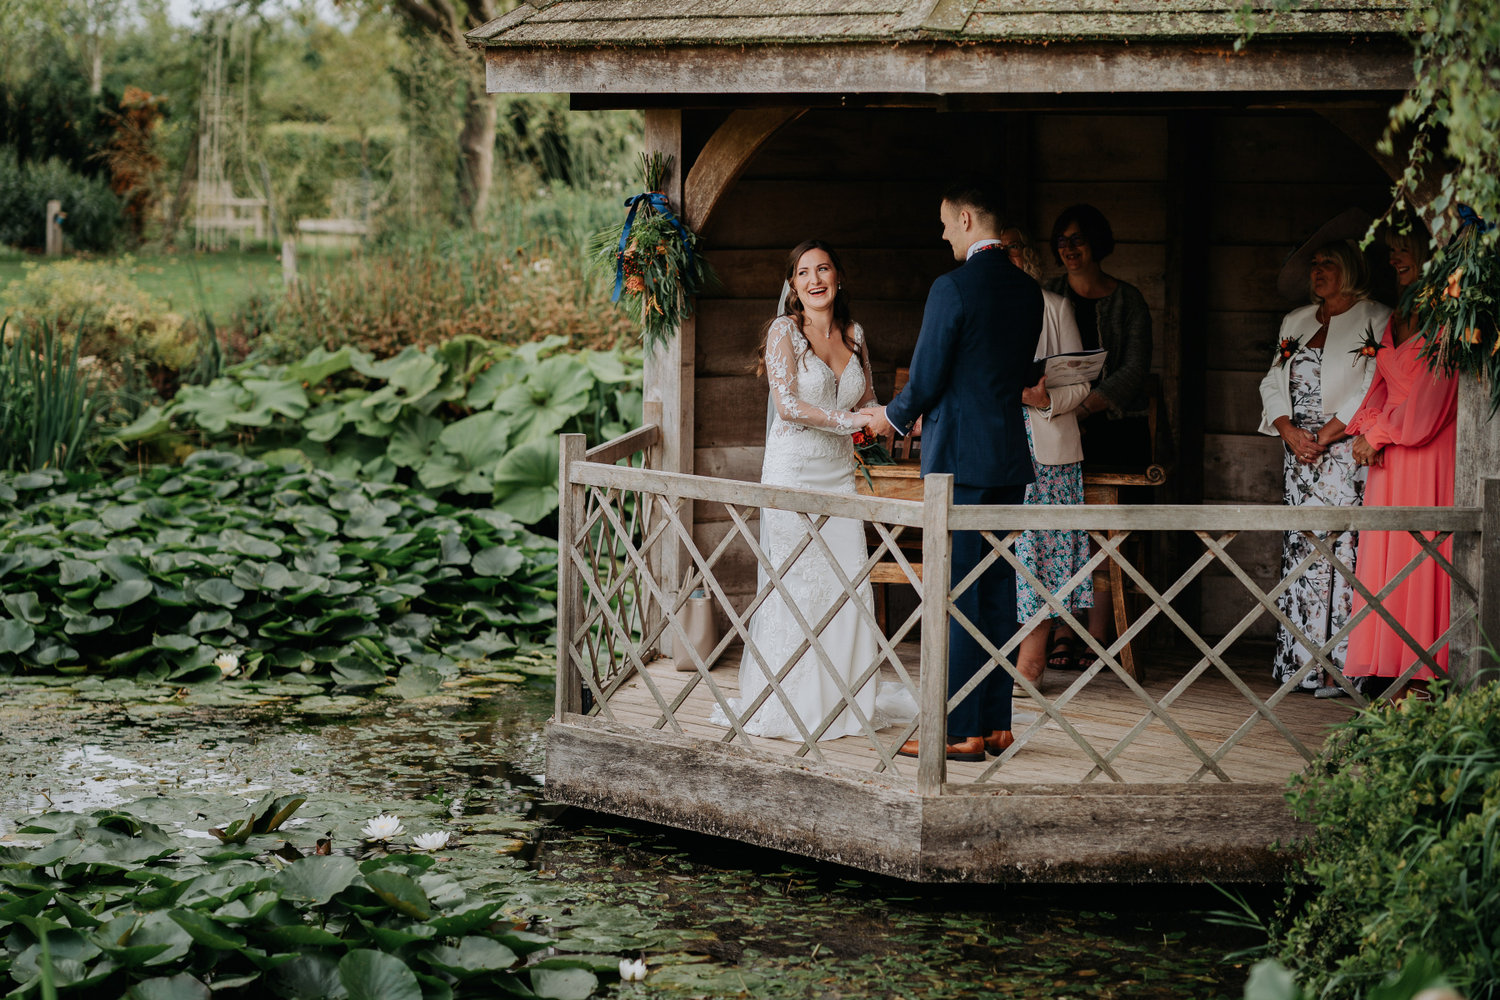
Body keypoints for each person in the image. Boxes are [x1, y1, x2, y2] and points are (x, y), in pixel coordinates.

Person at [863, 183, 1043, 762]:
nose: (943, 234)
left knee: (959, 594)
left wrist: (891, 417)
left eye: (945, 223)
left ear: (966, 219)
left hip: (959, 465)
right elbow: (1017, 371)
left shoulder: (952, 287)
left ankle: (961, 731)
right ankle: (996, 725)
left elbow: (926, 376)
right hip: (1008, 456)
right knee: (997, 590)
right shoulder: (1028, 290)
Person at [709, 239, 914, 741]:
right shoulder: (784, 332)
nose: (815, 280)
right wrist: (852, 422)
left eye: (823, 269)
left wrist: (889, 417)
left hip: (839, 475)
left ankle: (845, 701)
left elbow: (866, 399)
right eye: (804, 273)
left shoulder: (855, 335)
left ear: (838, 277)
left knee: (847, 582)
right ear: (792, 286)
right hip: (794, 473)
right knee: (797, 584)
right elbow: (788, 407)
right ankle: (791, 701)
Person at [1258, 231, 1390, 692]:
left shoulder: (1377, 317)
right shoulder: (1295, 320)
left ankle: (1342, 667)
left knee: (1344, 552)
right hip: (1300, 453)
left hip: (1346, 451)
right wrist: (1288, 430)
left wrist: (1325, 435)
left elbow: (1373, 385)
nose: (1317, 271)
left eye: (1327, 263)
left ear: (1350, 268)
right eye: (1314, 264)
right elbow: (1272, 381)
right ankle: (1301, 665)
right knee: (1303, 551)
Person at [1341, 227, 1456, 699]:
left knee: (1422, 553)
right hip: (1389, 455)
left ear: (1431, 250)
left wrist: (1378, 433)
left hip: (1426, 452)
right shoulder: (1401, 312)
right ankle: (1388, 668)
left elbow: (1431, 401)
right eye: (1391, 250)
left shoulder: (1450, 316)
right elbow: (1381, 384)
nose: (1394, 258)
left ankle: (1426, 672)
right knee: (1386, 557)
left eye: (1403, 248)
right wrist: (1367, 428)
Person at [1043, 204, 1153, 670]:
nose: (1069, 248)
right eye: (1062, 241)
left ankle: (1099, 633)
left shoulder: (1129, 300)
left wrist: (1085, 407)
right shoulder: (1047, 294)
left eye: (1078, 239)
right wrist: (1063, 408)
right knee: (1061, 530)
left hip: (1114, 430)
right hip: (1058, 425)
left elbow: (1134, 370)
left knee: (1102, 533)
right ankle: (1063, 630)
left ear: (1097, 243)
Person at [1001, 227, 1094, 693]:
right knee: (1001, 548)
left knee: (1040, 550)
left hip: (1047, 446)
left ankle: (1032, 660)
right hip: (994, 441)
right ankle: (992, 653)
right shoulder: (980, 307)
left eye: (1010, 250)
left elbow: (1082, 381)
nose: (1003, 258)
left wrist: (1044, 399)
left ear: (1026, 257)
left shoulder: (1055, 307)